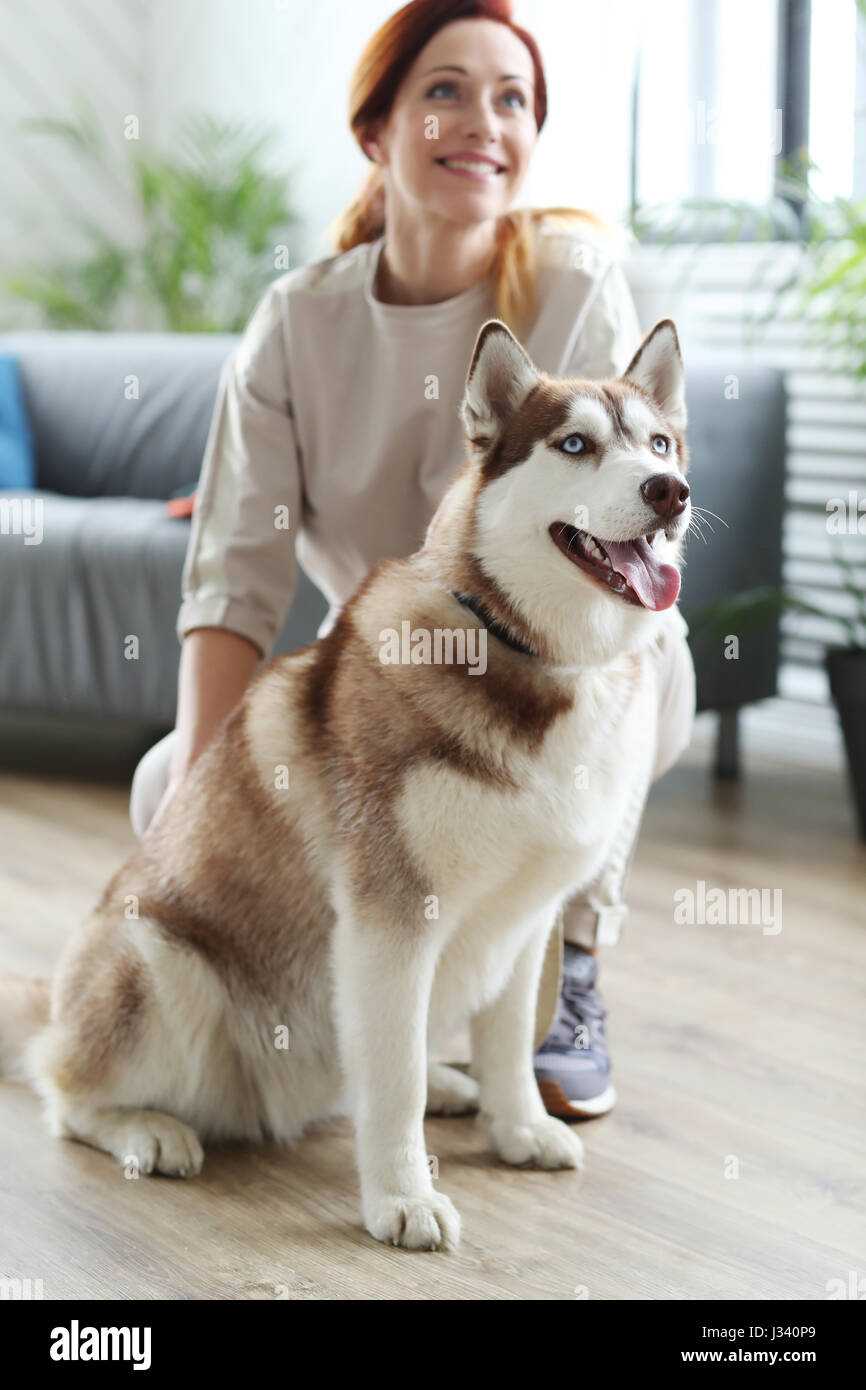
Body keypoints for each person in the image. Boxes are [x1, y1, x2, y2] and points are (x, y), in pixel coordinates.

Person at [129, 0, 696, 1122]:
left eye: (511, 97)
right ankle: (335, 1022)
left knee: (663, 661)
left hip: (550, 660)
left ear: (530, 137)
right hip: (384, 677)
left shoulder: (572, 285)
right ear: (374, 129)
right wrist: (195, 799)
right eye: (443, 90)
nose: (479, 120)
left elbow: (623, 509)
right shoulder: (295, 321)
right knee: (164, 787)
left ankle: (573, 960)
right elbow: (234, 572)